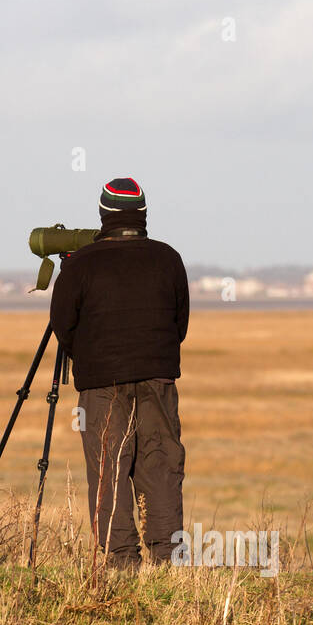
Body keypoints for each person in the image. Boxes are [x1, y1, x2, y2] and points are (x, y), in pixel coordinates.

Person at [49, 177, 189, 571]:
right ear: (142, 215)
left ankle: (121, 562)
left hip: (100, 383)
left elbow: (63, 326)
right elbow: (181, 325)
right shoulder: (169, 259)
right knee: (160, 464)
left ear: (103, 215)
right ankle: (169, 560)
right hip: (158, 379)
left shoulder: (81, 265)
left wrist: (91, 356)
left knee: (108, 466)